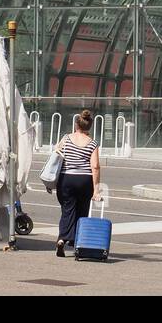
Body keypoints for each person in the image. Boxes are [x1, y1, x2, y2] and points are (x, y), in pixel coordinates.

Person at [54, 109, 101, 256]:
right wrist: (96, 190)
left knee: (67, 210)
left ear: (76, 125)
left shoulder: (66, 138)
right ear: (89, 126)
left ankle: (62, 239)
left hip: (66, 179)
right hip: (84, 180)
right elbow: (95, 166)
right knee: (82, 211)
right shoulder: (92, 143)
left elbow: (56, 155)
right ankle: (77, 243)